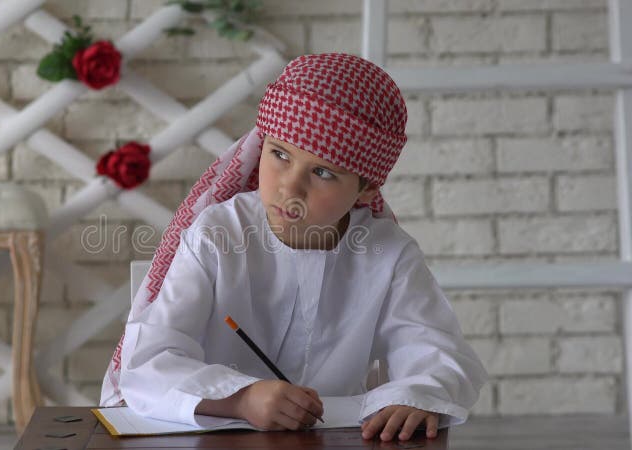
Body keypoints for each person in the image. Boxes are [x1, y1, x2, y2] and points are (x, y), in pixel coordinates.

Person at [99, 53, 488, 442]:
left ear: (367, 187)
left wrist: (420, 395)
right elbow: (148, 363)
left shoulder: (389, 253)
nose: (290, 187)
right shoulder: (218, 233)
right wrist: (240, 398)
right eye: (280, 155)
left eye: (322, 172)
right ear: (261, 145)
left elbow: (438, 355)